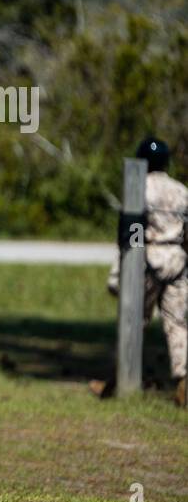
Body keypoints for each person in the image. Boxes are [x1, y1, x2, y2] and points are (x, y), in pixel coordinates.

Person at [100, 137, 187, 406]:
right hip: (177, 259)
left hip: (148, 257)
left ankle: (119, 381)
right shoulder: (181, 191)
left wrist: (132, 255)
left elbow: (131, 229)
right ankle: (183, 381)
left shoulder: (140, 187)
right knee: (179, 324)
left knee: (133, 320)